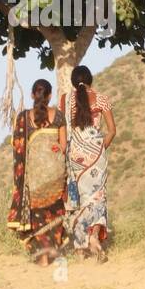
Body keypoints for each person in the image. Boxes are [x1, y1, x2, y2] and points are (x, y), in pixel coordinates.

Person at [7, 79, 68, 264]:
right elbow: (64, 146)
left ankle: (42, 257)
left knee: (38, 216)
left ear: (33, 95)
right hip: (56, 177)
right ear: (49, 96)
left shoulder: (24, 118)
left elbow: (18, 147)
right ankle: (51, 252)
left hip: (34, 179)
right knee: (54, 212)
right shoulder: (58, 115)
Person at [60, 65, 115, 262]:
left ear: (74, 82)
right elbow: (112, 131)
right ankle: (94, 239)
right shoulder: (102, 99)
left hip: (76, 157)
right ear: (90, 79)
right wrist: (100, 149)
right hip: (96, 157)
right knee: (98, 197)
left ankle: (80, 246)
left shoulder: (66, 100)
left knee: (78, 200)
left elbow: (63, 132)